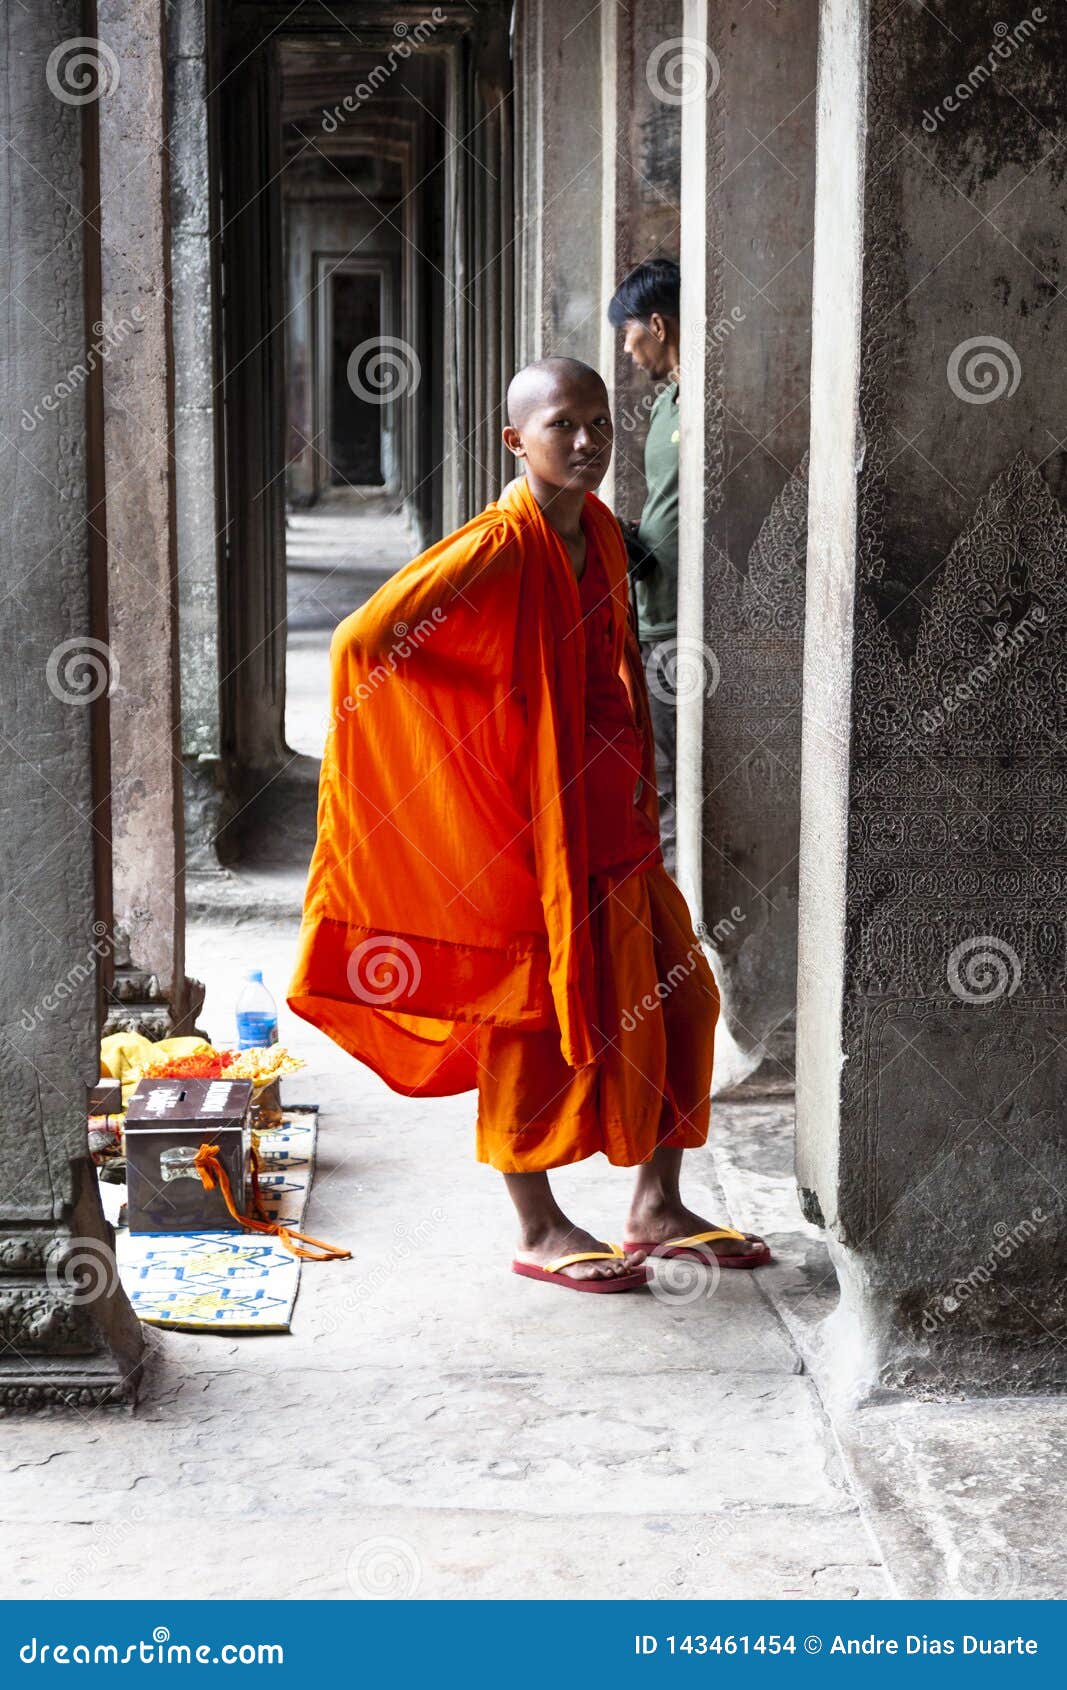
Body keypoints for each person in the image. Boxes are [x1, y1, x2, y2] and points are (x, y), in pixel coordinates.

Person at [288, 356, 768, 1290]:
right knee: (533, 1019)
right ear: (517, 441)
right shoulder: (500, 546)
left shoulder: (594, 529)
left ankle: (655, 1205)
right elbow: (366, 643)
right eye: (563, 426)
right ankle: (538, 1225)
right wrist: (485, 726)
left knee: (680, 999)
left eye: (599, 424)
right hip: (534, 823)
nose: (586, 442)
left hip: (614, 820)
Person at [608, 259, 682, 877]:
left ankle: (678, 929)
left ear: (657, 324)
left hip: (689, 618)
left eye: (628, 335)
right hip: (651, 607)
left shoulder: (709, 402)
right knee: (653, 767)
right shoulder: (666, 405)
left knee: (679, 780)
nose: (628, 352)